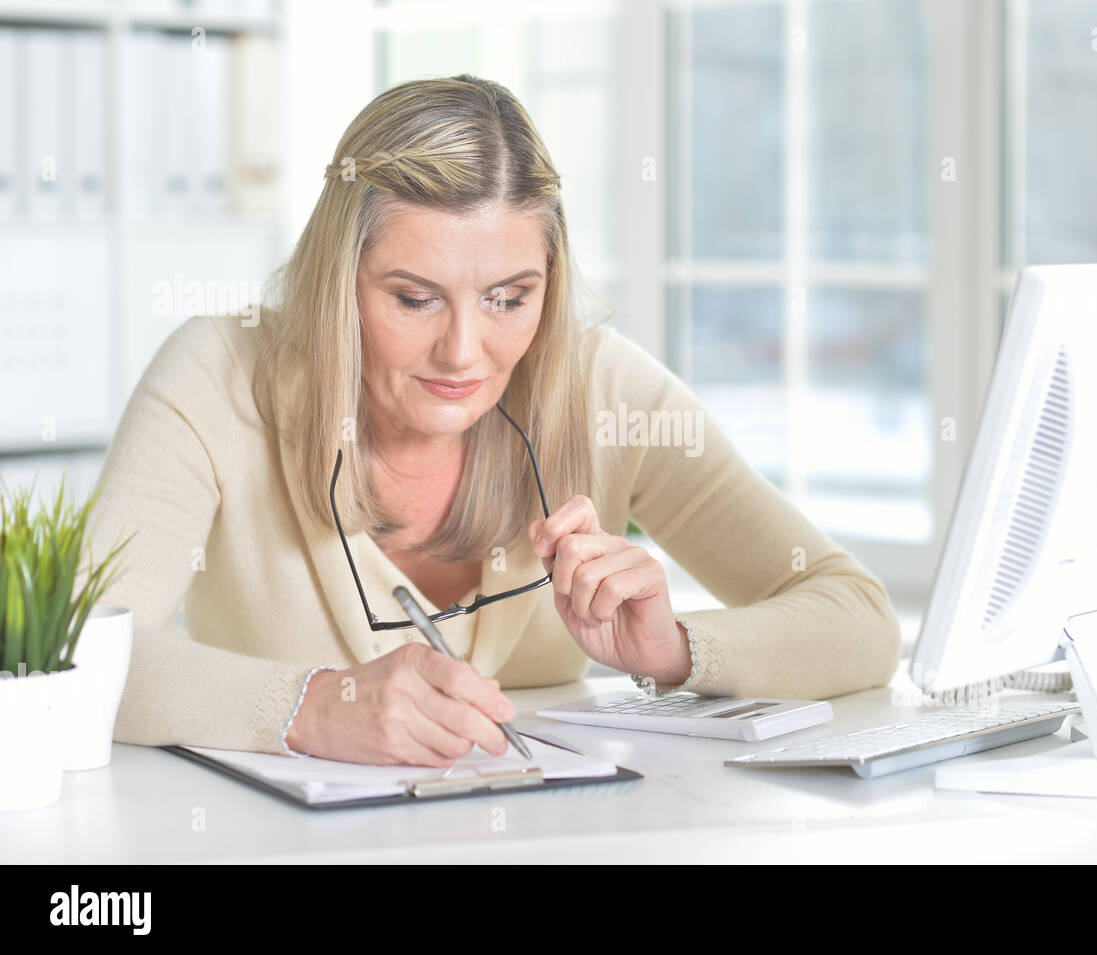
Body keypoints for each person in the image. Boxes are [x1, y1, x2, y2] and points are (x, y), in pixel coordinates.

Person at [87, 76, 900, 767]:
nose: (464, 353)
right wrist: (313, 705)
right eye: (415, 298)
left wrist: (680, 651)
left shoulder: (603, 386)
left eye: (510, 297)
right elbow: (77, 652)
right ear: (341, 279)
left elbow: (860, 619)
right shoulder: (219, 374)